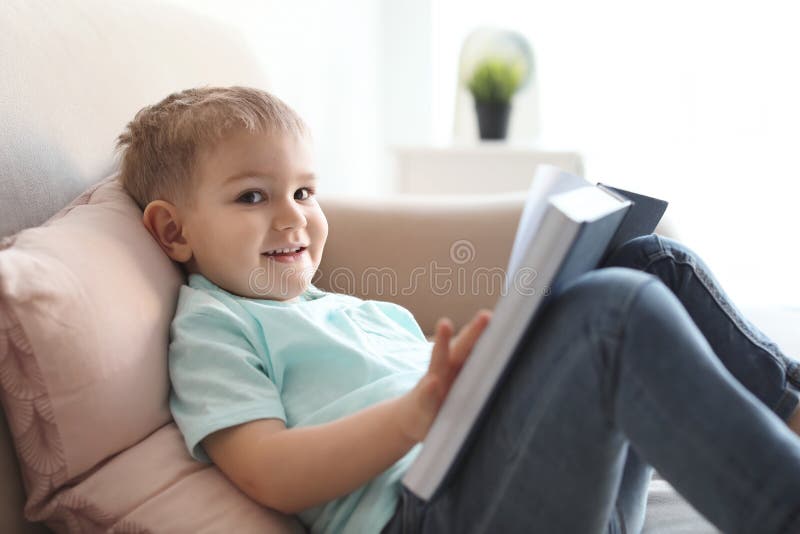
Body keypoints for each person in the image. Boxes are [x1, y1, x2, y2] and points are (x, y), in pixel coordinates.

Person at [116, 85, 800, 534]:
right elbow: (268, 469)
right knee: (611, 313)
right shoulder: (213, 325)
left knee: (651, 260)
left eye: (304, 192)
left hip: (521, 484)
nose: (294, 219)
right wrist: (410, 417)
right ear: (174, 231)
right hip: (435, 514)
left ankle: (789, 407)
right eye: (253, 197)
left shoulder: (356, 310)